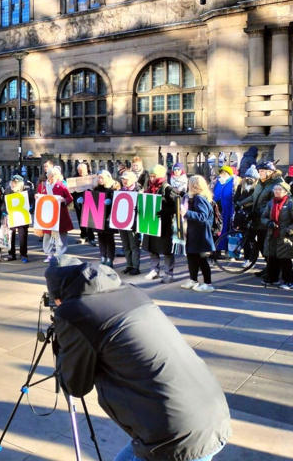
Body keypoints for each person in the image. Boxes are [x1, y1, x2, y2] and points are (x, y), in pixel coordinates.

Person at [46, 258, 231, 461]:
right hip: (209, 414)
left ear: (58, 296)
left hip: (175, 436)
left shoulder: (74, 313)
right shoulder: (131, 292)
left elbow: (75, 386)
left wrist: (64, 338)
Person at [237, 160, 284, 260]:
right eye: (259, 171)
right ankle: (267, 265)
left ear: (270, 172)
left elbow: (274, 203)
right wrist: (240, 204)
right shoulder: (260, 183)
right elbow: (253, 197)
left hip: (269, 220)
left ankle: (272, 266)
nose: (259, 173)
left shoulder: (277, 184)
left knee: (266, 245)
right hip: (258, 219)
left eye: (262, 171)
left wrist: (260, 212)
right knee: (260, 243)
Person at [260, 181, 293, 289]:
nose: (276, 191)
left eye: (279, 189)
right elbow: (263, 217)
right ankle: (273, 278)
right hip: (272, 235)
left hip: (285, 237)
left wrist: (289, 231)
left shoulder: (291, 203)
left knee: (285, 259)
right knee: (272, 257)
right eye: (275, 189)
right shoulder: (271, 202)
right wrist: (268, 223)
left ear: (285, 192)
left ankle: (289, 282)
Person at [143, 164, 178, 283]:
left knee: (167, 249)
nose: (152, 178)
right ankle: (154, 270)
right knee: (152, 248)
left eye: (154, 176)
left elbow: (176, 206)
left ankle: (169, 273)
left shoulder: (168, 189)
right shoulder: (149, 188)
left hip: (165, 224)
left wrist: (165, 211)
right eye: (150, 176)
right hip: (151, 223)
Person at [181, 175, 217, 292]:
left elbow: (203, 216)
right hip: (194, 233)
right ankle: (193, 280)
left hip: (201, 234)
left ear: (194, 185)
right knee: (192, 257)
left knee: (202, 260)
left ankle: (208, 284)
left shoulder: (199, 198)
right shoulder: (194, 197)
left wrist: (186, 213)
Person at [37, 166, 74, 261]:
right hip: (47, 214)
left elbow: (70, 198)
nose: (52, 177)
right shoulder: (42, 186)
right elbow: (39, 197)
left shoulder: (61, 186)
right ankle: (49, 254)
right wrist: (37, 197)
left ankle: (60, 254)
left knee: (60, 234)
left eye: (53, 175)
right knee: (47, 234)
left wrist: (63, 200)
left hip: (60, 214)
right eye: (50, 175)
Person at [3, 174, 31, 263]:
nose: (13, 184)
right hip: (12, 216)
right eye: (12, 182)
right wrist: (4, 212)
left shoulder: (26, 191)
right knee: (11, 235)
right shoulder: (8, 190)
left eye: (15, 182)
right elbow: (4, 203)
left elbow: (31, 202)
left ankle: (23, 254)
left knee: (23, 236)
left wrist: (30, 208)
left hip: (22, 217)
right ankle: (11, 254)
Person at [93, 170, 119, 267]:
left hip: (108, 217)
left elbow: (118, 202)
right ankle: (103, 256)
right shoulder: (96, 189)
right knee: (100, 237)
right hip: (98, 216)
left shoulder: (113, 189)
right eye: (99, 178)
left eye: (102, 178)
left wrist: (111, 202)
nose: (100, 180)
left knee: (109, 238)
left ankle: (110, 258)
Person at [118, 170, 141, 275]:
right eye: (123, 179)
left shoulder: (138, 191)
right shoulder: (120, 191)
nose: (124, 181)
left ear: (132, 180)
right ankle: (129, 265)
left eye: (126, 179)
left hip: (133, 223)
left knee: (134, 246)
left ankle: (135, 267)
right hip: (122, 222)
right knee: (126, 245)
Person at [212, 165, 237, 252]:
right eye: (221, 173)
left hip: (229, 209)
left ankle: (227, 249)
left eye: (225, 173)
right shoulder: (217, 182)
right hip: (217, 210)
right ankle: (218, 248)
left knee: (227, 228)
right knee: (218, 228)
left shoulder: (233, 182)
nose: (222, 174)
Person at [72, 161, 96, 246]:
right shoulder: (75, 178)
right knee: (81, 220)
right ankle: (83, 236)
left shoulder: (91, 177)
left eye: (82, 170)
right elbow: (72, 191)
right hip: (79, 202)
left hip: (89, 201)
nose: (81, 172)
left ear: (86, 170)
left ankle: (91, 238)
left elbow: (95, 189)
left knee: (89, 220)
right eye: (79, 170)